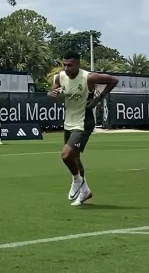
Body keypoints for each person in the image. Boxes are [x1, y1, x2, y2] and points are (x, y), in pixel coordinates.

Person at [50, 52, 118, 205]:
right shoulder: (59, 77)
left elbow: (113, 80)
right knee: (75, 158)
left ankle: (77, 181)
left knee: (66, 155)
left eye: (70, 65)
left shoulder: (89, 77)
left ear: (78, 65)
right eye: (64, 65)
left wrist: (98, 98)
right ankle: (85, 191)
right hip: (68, 121)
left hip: (83, 122)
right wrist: (53, 93)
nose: (66, 68)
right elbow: (52, 93)